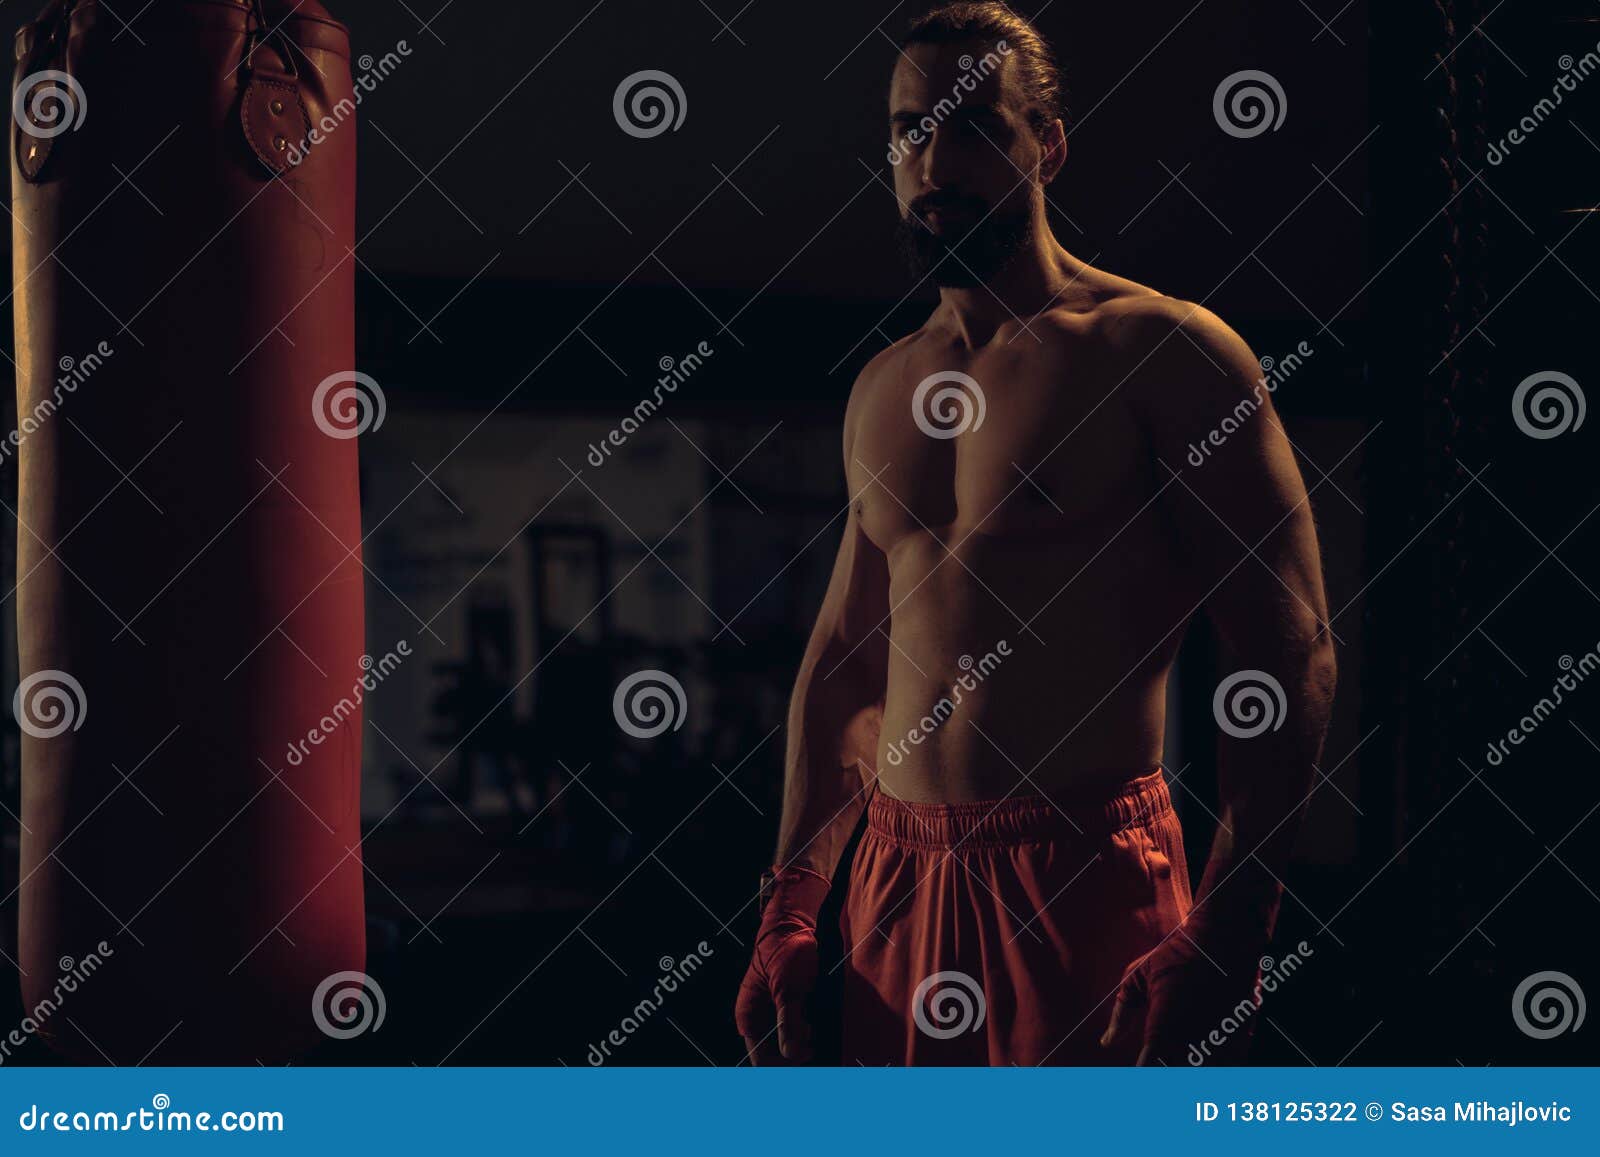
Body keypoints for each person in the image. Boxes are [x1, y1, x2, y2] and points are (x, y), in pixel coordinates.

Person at [734, 1, 1337, 1065]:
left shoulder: (1165, 351)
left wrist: (1239, 919)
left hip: (1078, 869)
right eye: (911, 128)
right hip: (893, 879)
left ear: (1046, 144)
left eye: (973, 126)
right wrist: (790, 900)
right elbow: (844, 665)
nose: (935, 159)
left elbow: (1290, 653)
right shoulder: (886, 386)